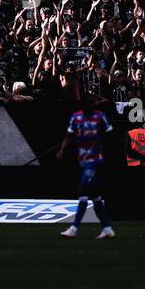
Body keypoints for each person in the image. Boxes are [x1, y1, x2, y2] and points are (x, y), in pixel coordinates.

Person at [57, 86, 115, 239]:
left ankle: (74, 228)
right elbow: (69, 136)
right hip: (83, 160)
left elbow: (110, 135)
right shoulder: (75, 118)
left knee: (83, 191)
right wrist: (62, 150)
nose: (89, 105)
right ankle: (107, 228)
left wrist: (102, 147)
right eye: (86, 103)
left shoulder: (101, 116)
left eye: (91, 103)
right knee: (95, 197)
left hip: (95, 160)